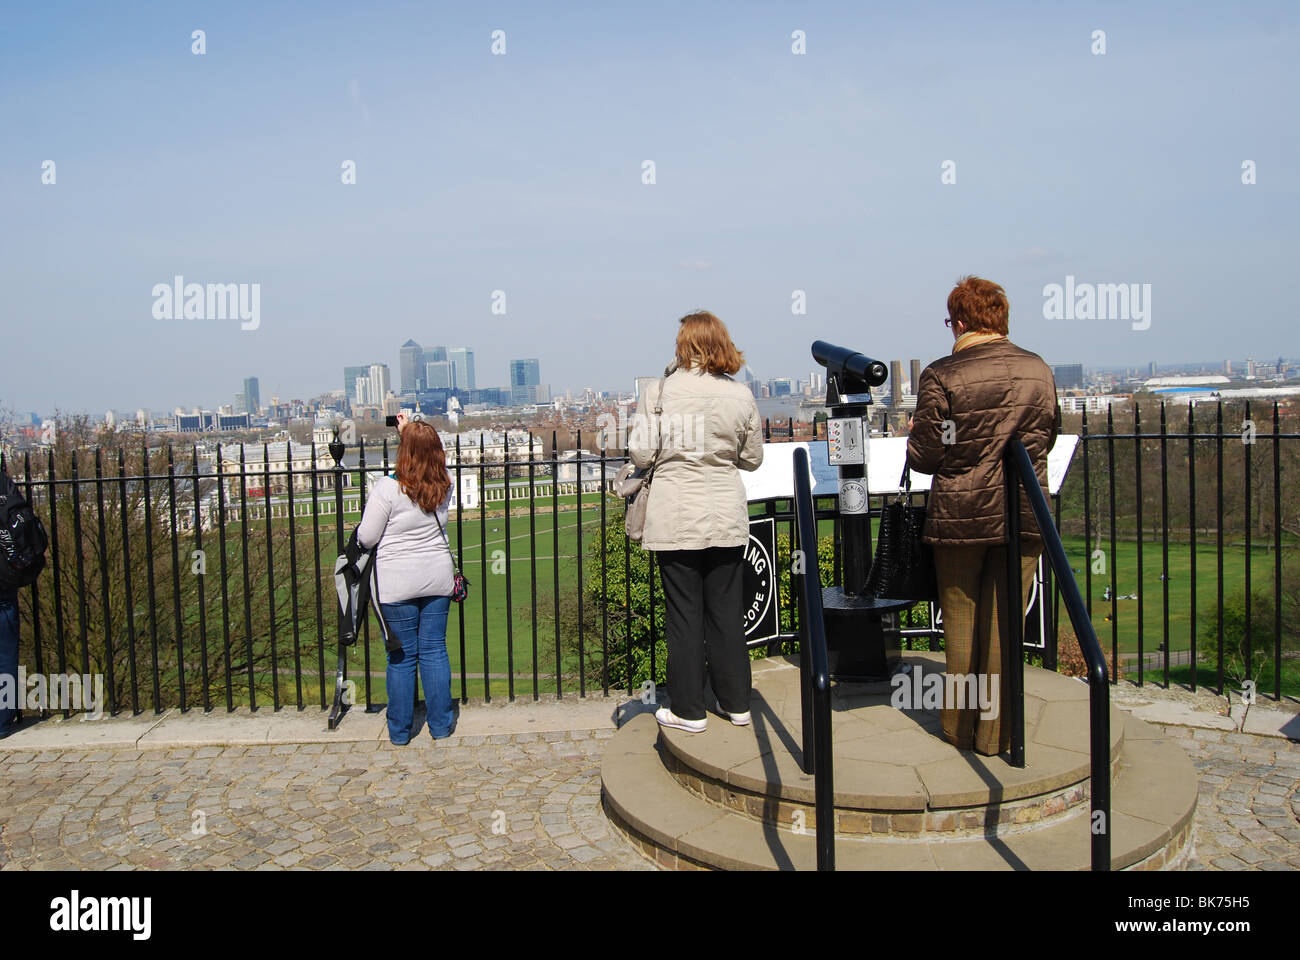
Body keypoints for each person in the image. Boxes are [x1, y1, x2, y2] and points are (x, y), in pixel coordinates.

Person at [907, 276, 1059, 756]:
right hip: (1024, 513)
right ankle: (999, 733)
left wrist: (916, 436)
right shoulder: (1039, 369)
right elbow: (1046, 437)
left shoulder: (942, 374)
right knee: (1004, 625)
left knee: (961, 626)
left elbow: (927, 456)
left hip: (962, 515)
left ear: (962, 321)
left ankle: (960, 729)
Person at [630, 311, 764, 733]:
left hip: (675, 515)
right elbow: (753, 458)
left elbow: (640, 455)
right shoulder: (740, 395)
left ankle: (688, 710)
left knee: (684, 614)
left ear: (683, 345)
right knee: (726, 611)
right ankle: (737, 703)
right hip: (724, 512)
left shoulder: (659, 391)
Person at [356, 414, 458, 745]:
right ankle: (441, 726)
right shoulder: (445, 484)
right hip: (437, 578)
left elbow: (368, 537)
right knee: (434, 651)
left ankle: (400, 731)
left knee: (401, 657)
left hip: (397, 582)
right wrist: (412, 434)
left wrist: (405, 436)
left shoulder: (387, 488)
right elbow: (424, 464)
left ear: (403, 451)